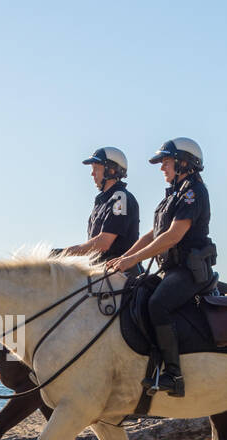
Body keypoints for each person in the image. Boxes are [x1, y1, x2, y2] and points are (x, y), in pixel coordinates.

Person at [106, 138, 214, 397]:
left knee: (158, 304)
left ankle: (174, 374)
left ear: (183, 163)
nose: (162, 167)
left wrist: (132, 261)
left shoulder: (193, 192)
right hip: (171, 269)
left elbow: (173, 236)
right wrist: (123, 258)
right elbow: (153, 234)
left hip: (189, 271)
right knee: (138, 296)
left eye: (166, 162)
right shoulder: (173, 195)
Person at [62, 147, 139, 263]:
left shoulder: (120, 198)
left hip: (121, 272)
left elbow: (104, 243)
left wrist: (63, 253)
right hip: (100, 271)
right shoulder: (103, 201)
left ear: (111, 171)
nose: (92, 174)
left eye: (96, 169)